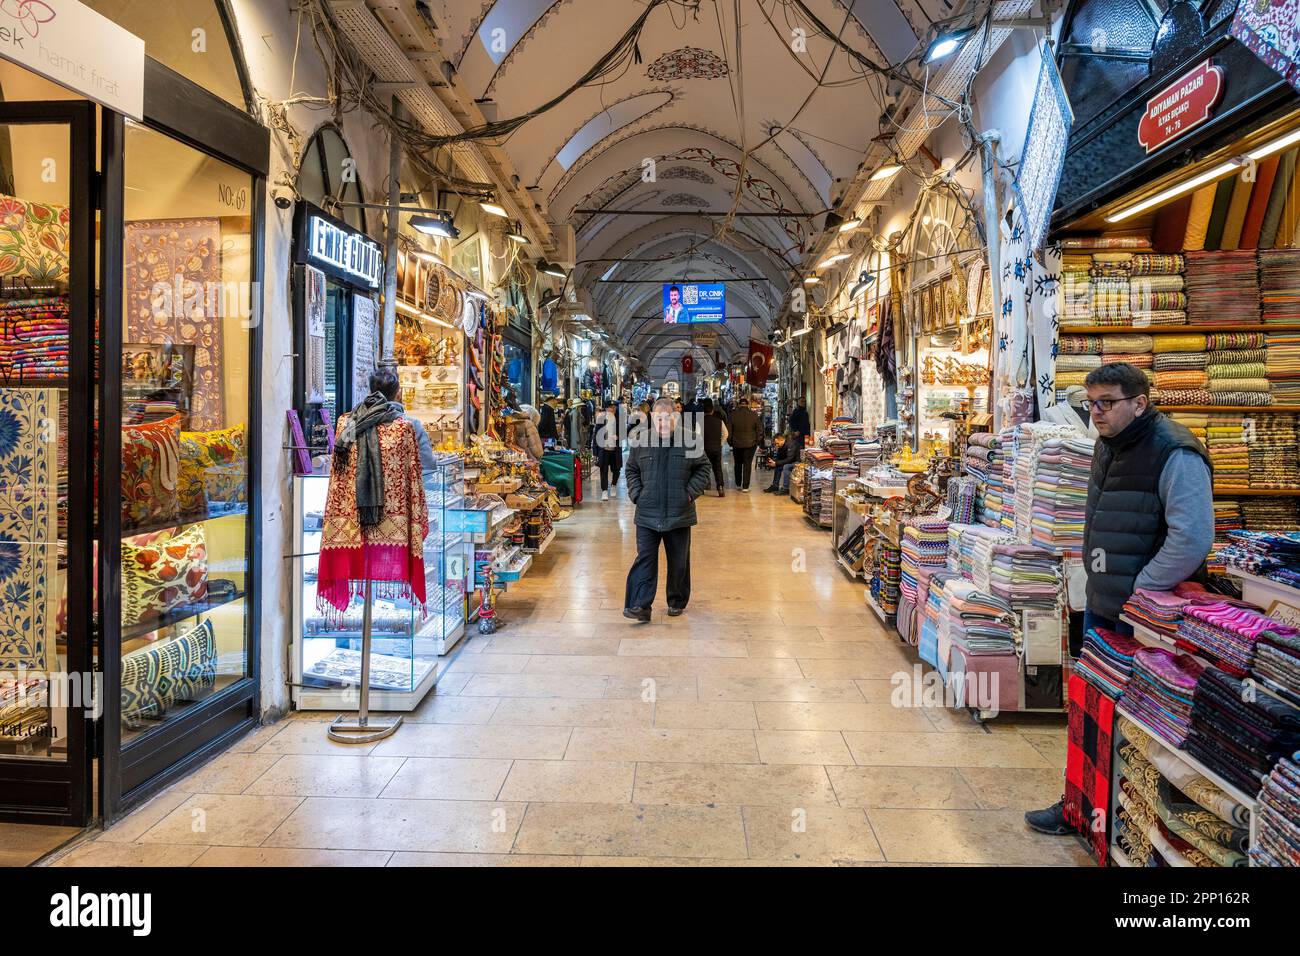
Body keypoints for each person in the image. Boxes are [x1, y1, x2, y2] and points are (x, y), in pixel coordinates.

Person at [1024, 361, 1213, 836]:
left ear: (1140, 402)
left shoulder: (1175, 452)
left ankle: (1131, 822)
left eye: (1106, 403)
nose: (1097, 413)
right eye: (1091, 404)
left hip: (1149, 618)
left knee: (1140, 721)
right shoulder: (1108, 446)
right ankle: (1080, 804)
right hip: (1106, 605)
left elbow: (1192, 539)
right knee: (1092, 707)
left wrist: (1142, 588)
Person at [623, 398, 713, 621]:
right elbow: (631, 469)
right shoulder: (640, 440)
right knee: (645, 558)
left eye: (667, 418)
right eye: (658, 418)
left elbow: (704, 468)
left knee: (678, 560)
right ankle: (641, 605)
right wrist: (637, 494)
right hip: (647, 512)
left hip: (679, 513)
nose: (662, 423)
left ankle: (676, 600)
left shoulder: (690, 439)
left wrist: (690, 493)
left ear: (676, 417)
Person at [366, 367, 435, 473]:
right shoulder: (412, 425)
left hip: (365, 489)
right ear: (398, 394)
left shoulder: (359, 422)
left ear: (371, 393)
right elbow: (428, 465)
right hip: (402, 488)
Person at [727, 397, 761, 492]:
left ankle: (738, 484)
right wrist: (756, 442)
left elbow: (729, 431)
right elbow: (760, 430)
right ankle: (745, 487)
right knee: (747, 464)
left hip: (736, 444)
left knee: (737, 464)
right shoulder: (754, 415)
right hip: (750, 444)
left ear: (738, 405)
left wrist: (731, 442)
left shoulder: (732, 415)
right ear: (747, 405)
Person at [593, 400, 623, 500]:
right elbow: (596, 435)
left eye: (614, 407)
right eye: (611, 407)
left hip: (615, 450)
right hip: (604, 449)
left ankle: (614, 485)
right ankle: (604, 490)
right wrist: (595, 451)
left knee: (617, 469)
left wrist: (619, 436)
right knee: (604, 470)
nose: (613, 408)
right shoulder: (601, 418)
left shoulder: (619, 419)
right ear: (606, 408)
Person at [699, 397, 728, 497]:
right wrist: (720, 443)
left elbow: (696, 435)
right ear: (712, 411)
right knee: (717, 468)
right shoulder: (719, 421)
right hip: (716, 448)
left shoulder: (700, 422)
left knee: (703, 467)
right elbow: (726, 434)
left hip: (704, 449)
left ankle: (704, 486)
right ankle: (720, 487)